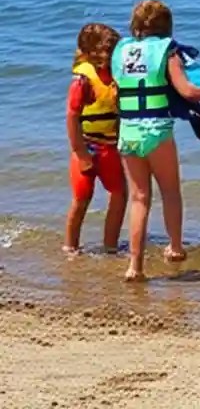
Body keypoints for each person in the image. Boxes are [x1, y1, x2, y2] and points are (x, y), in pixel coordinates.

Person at [111, 0, 200, 281]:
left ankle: (134, 266)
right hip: (156, 130)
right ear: (166, 25)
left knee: (139, 198)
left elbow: (116, 89)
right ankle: (175, 247)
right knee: (170, 192)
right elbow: (187, 90)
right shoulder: (168, 51)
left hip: (128, 130)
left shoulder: (120, 49)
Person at [64, 23, 127, 255]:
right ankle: (70, 248)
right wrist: (80, 153)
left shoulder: (116, 77)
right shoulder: (83, 80)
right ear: (94, 54)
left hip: (110, 147)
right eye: (111, 53)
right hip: (87, 146)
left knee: (120, 194)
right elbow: (71, 117)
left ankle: (110, 246)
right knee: (82, 198)